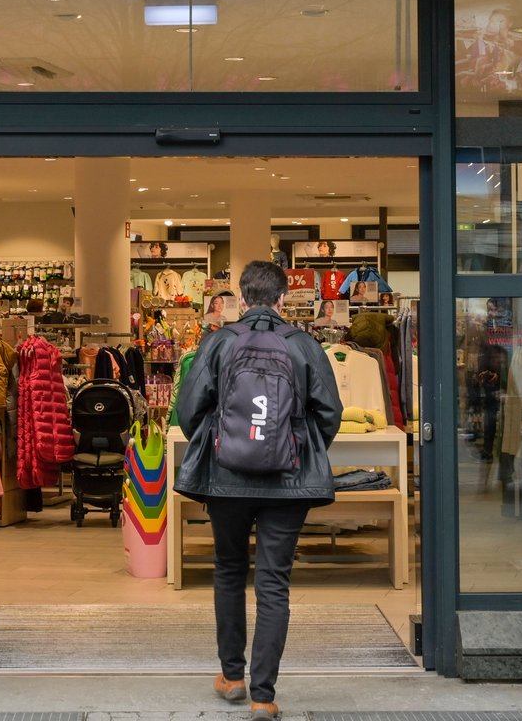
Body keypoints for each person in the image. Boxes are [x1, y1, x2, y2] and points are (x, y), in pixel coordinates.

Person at [175, 260, 343, 718]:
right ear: (284, 299)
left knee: (228, 570)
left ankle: (231, 676)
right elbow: (330, 413)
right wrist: (297, 447)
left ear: (241, 300)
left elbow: (188, 410)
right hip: (287, 484)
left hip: (226, 480)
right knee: (274, 583)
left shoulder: (219, 342)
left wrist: (221, 443)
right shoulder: (304, 345)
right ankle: (263, 697)